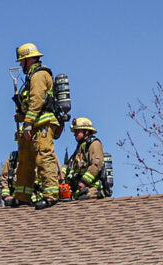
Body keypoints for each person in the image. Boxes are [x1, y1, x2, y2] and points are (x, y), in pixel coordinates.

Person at [12, 42, 62, 208]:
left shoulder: (39, 75)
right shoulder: (31, 77)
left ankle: (50, 196)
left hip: (43, 124)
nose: (20, 64)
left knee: (44, 156)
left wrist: (27, 122)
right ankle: (23, 195)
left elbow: (37, 100)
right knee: (25, 158)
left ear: (28, 59)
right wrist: (22, 116)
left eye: (22, 61)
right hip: (33, 124)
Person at [63, 117, 110, 199]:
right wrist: (61, 174)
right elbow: (69, 165)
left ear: (86, 131)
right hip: (80, 190)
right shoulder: (80, 148)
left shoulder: (94, 144)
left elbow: (97, 164)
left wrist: (84, 182)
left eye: (77, 131)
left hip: (93, 188)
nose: (75, 134)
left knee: (83, 201)